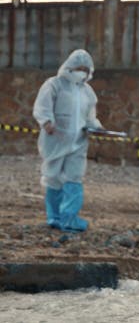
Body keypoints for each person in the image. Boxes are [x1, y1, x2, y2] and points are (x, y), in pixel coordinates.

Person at [33, 49, 103, 232]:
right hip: (55, 140)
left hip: (78, 141)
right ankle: (54, 217)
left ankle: (69, 218)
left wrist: (96, 127)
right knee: (53, 177)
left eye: (85, 69)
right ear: (69, 66)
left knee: (74, 177)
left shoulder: (88, 92)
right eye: (78, 67)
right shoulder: (54, 84)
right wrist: (46, 121)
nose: (82, 71)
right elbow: (42, 105)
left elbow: (90, 116)